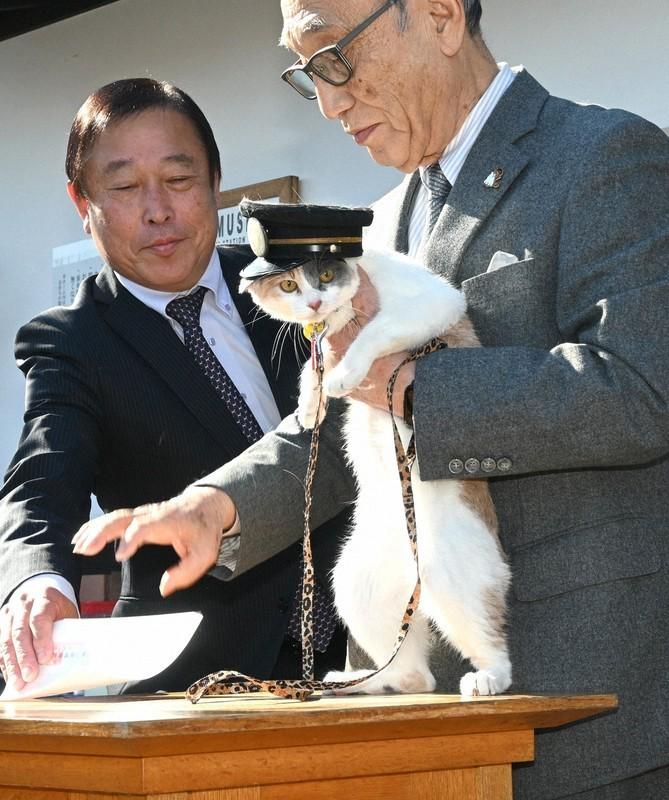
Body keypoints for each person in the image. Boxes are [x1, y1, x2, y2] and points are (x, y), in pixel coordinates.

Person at [67, 2, 669, 799]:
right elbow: (332, 418)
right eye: (304, 73)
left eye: (333, 58)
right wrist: (213, 507)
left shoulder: (603, 156)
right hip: (403, 717)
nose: (327, 101)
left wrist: (416, 385)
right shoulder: (379, 223)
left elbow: (640, 386)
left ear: (439, 15)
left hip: (574, 710)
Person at [0, 77, 349, 697]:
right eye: (126, 187)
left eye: (179, 180)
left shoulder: (294, 284)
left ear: (216, 182)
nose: (158, 210)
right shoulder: (72, 342)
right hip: (201, 684)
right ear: (84, 205)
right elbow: (41, 481)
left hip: (371, 650)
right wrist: (35, 584)